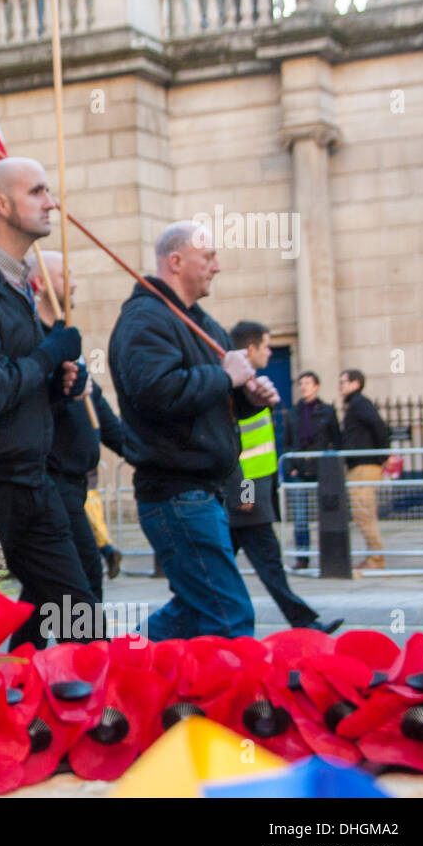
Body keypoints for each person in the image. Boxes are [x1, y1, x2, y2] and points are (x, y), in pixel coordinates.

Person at [0, 157, 99, 647]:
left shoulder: (17, 282)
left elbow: (22, 383)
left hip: (35, 479)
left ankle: (96, 715)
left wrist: (59, 385)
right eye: (37, 192)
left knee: (80, 615)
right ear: (1, 204)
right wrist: (51, 350)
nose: (51, 202)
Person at [108, 221, 280, 641]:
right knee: (229, 615)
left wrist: (247, 398)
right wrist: (224, 377)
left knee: (194, 611)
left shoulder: (203, 324)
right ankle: (237, 701)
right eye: (209, 257)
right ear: (176, 261)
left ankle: (125, 662)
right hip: (177, 494)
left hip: (205, 491)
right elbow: (156, 391)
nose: (217, 267)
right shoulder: (146, 320)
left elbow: (211, 400)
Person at [222, 323, 341, 633]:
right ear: (249, 350)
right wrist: (245, 493)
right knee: (268, 566)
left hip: (254, 496)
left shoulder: (250, 386)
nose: (270, 351)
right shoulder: (239, 388)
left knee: (220, 571)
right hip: (247, 501)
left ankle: (189, 625)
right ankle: (305, 623)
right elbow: (236, 448)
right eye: (265, 346)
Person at [28, 251, 127, 601]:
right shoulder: (35, 340)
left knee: (42, 590)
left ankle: (27, 653)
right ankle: (87, 652)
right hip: (53, 477)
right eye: (62, 275)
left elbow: (95, 402)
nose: (73, 283)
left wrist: (135, 448)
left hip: (77, 480)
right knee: (84, 576)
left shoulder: (70, 337)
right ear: (39, 284)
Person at [283, 371, 340, 568]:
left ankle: (330, 555)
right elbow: (288, 442)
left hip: (322, 469)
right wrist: (291, 467)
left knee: (328, 515)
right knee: (300, 517)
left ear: (316, 386)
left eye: (308, 383)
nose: (304, 387)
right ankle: (302, 556)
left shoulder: (327, 411)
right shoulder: (292, 413)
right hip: (299, 471)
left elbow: (335, 440)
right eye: (301, 383)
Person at [339, 368, 390, 571]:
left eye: (343, 382)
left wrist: (382, 455)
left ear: (355, 384)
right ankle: (374, 556)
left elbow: (379, 426)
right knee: (363, 514)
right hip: (359, 464)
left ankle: (377, 559)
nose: (340, 386)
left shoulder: (360, 404)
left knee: (364, 513)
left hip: (364, 465)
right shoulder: (355, 404)